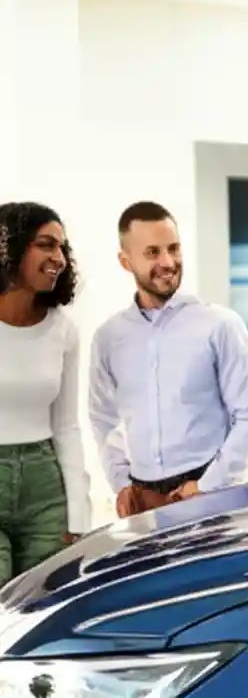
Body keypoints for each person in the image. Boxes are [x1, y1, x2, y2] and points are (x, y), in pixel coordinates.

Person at [88, 201, 248, 518]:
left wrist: (207, 486)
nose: (168, 262)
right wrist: (122, 484)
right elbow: (104, 419)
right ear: (125, 261)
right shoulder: (108, 337)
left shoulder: (220, 325)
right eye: (153, 252)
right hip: (142, 503)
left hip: (209, 496)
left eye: (174, 248)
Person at [0, 202, 93, 582]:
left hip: (45, 487)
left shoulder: (63, 330)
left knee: (45, 606)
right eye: (46, 245)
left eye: (62, 249)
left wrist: (79, 515)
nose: (58, 258)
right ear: (10, 248)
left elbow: (67, 426)